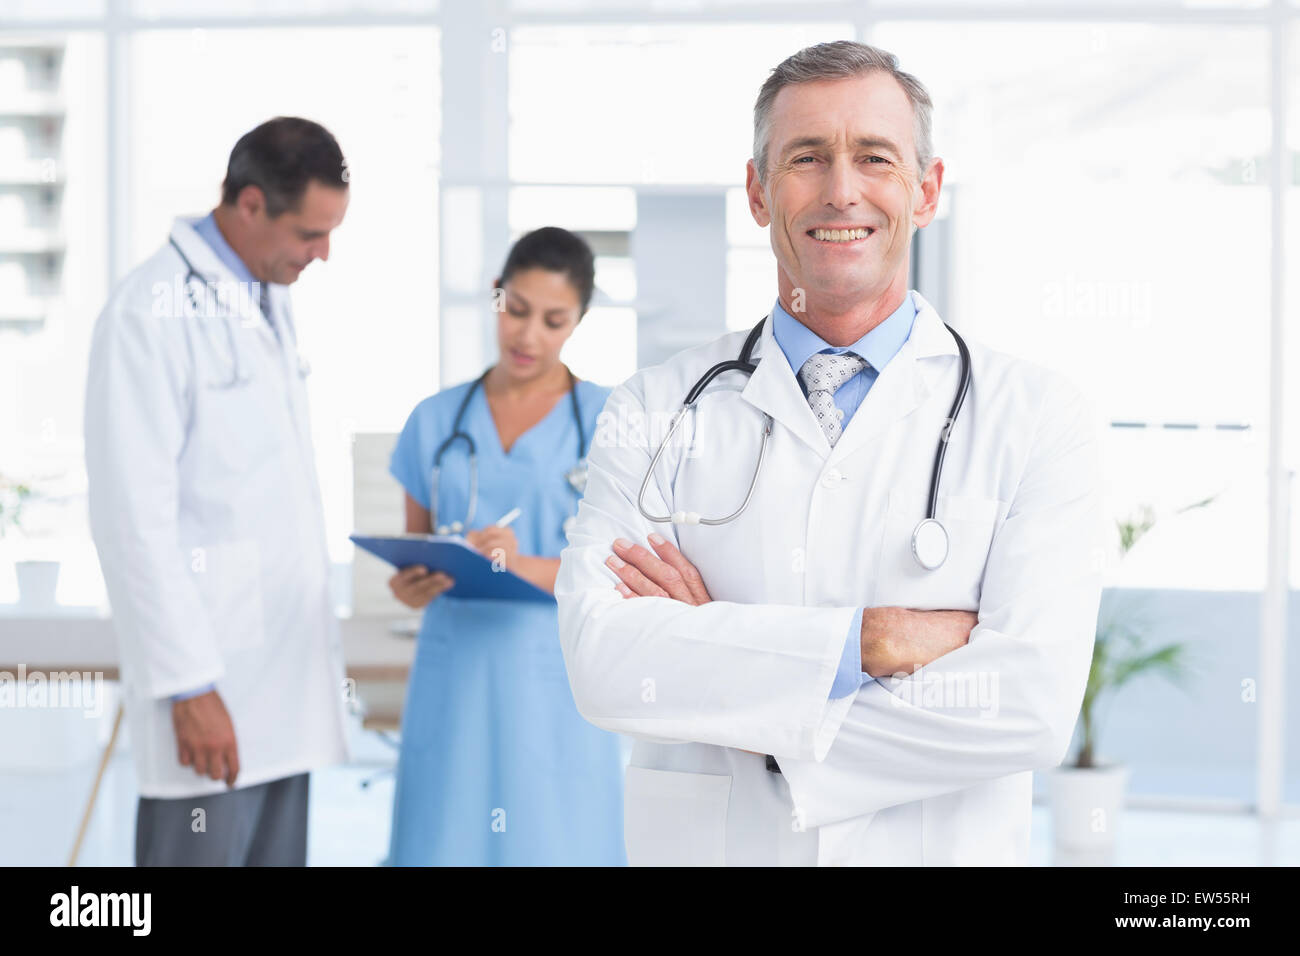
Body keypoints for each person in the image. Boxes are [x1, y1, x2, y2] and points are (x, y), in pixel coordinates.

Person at [554, 41, 1104, 866]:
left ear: (926, 191)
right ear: (757, 191)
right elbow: (605, 663)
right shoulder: (655, 408)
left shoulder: (1037, 415)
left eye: (874, 157)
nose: (841, 190)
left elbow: (1028, 706)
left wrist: (731, 672)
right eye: (806, 158)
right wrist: (869, 642)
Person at [85, 117, 350, 866]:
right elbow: (131, 520)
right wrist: (186, 686)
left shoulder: (267, 294)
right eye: (310, 233)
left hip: (281, 690)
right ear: (251, 205)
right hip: (209, 694)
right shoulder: (148, 312)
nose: (323, 254)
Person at [385, 226, 626, 866]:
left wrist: (516, 563)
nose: (528, 335)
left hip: (558, 681)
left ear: (578, 320)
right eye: (515, 311)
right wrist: (409, 584)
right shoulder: (435, 421)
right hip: (454, 675)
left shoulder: (610, 420)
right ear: (495, 298)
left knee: (554, 844)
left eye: (553, 320)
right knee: (444, 842)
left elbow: (619, 570)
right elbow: (415, 553)